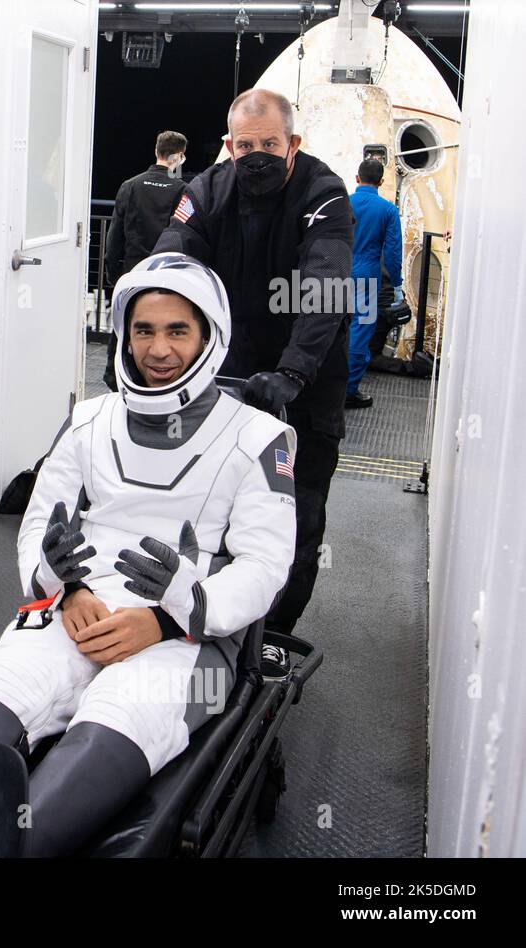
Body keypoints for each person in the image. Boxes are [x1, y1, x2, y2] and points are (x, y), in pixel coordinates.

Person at [0, 253, 296, 857]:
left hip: (189, 632)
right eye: (144, 329)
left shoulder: (258, 438)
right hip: (79, 608)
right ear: (124, 334)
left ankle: (19, 842)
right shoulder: (89, 421)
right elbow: (41, 523)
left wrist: (171, 614)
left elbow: (264, 570)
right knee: (14, 674)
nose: (159, 348)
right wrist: (66, 589)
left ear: (209, 337)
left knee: (128, 705)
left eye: (178, 330)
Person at [153, 88, 354, 673]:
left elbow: (326, 284)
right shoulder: (208, 190)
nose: (258, 155)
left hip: (304, 384)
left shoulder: (323, 194)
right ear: (228, 146)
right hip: (226, 378)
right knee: (208, 504)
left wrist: (293, 370)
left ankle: (272, 635)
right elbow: (174, 259)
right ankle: (203, 614)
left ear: (293, 144)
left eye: (270, 145)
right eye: (247, 146)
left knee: (299, 516)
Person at [101, 130, 189, 389]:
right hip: (168, 276)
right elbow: (185, 235)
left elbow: (115, 236)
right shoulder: (183, 189)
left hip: (133, 273)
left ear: (156, 151)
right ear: (180, 156)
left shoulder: (131, 185)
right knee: (161, 329)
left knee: (127, 325)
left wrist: (112, 274)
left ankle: (115, 378)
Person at [346, 158, 404, 409]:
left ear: (356, 178)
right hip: (367, 275)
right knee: (360, 331)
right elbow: (392, 252)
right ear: (381, 182)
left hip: (337, 269)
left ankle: (325, 385)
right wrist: (398, 284)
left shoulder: (342, 202)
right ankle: (348, 391)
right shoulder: (387, 210)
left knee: (330, 326)